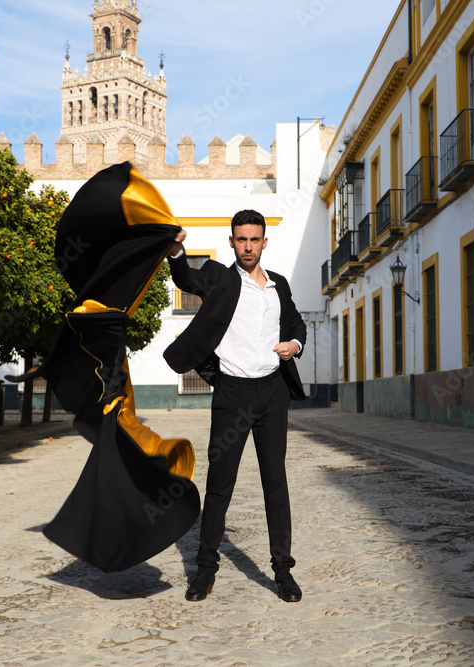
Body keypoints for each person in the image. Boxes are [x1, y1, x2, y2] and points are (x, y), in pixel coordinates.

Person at [164, 209, 307, 603]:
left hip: (273, 393)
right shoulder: (221, 278)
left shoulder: (278, 285)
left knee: (275, 483)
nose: (247, 246)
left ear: (264, 242)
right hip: (233, 395)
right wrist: (177, 252)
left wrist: (294, 345)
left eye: (254, 239)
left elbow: (296, 324)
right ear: (232, 242)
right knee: (219, 487)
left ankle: (283, 573)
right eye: (241, 239)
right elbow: (188, 279)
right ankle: (204, 572)